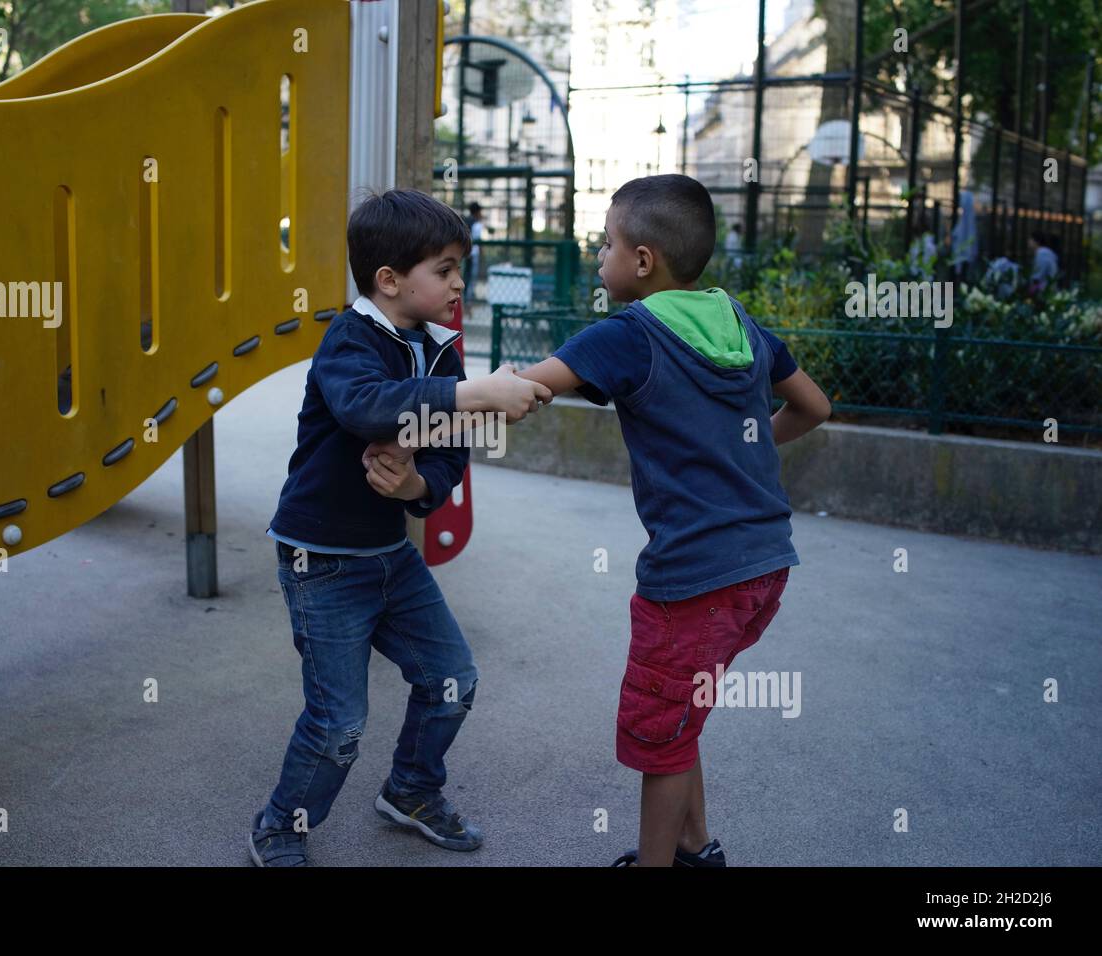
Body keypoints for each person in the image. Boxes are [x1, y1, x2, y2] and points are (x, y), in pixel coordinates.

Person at [515, 174, 830, 867]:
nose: (600, 256)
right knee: (685, 714)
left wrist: (435, 410)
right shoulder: (738, 321)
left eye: (605, 243)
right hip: (765, 571)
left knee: (660, 734)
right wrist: (739, 447)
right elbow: (815, 407)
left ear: (643, 260)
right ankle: (697, 847)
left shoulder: (629, 334)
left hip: (691, 583)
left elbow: (533, 385)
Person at [249, 188, 552, 867]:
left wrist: (417, 486)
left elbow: (447, 452)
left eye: (459, 268)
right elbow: (366, 406)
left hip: (389, 555)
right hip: (320, 560)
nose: (457, 283)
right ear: (389, 280)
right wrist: (478, 394)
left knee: (453, 679)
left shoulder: (438, 349)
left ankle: (411, 789)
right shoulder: (349, 339)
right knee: (339, 723)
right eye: (444, 269)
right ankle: (279, 825)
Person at [463, 202, 485, 303]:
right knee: (471, 277)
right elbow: (478, 241)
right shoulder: (476, 224)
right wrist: (482, 255)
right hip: (473, 254)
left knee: (467, 276)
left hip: (466, 254)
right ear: (477, 212)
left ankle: (466, 299)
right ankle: (468, 300)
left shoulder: (466, 221)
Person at [1028, 230, 1059, 296]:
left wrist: (1031, 292)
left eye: (1030, 240)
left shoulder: (1042, 253)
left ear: (1036, 241)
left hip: (1044, 292)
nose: (1028, 242)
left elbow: (1037, 276)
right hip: (1048, 290)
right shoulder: (1047, 253)